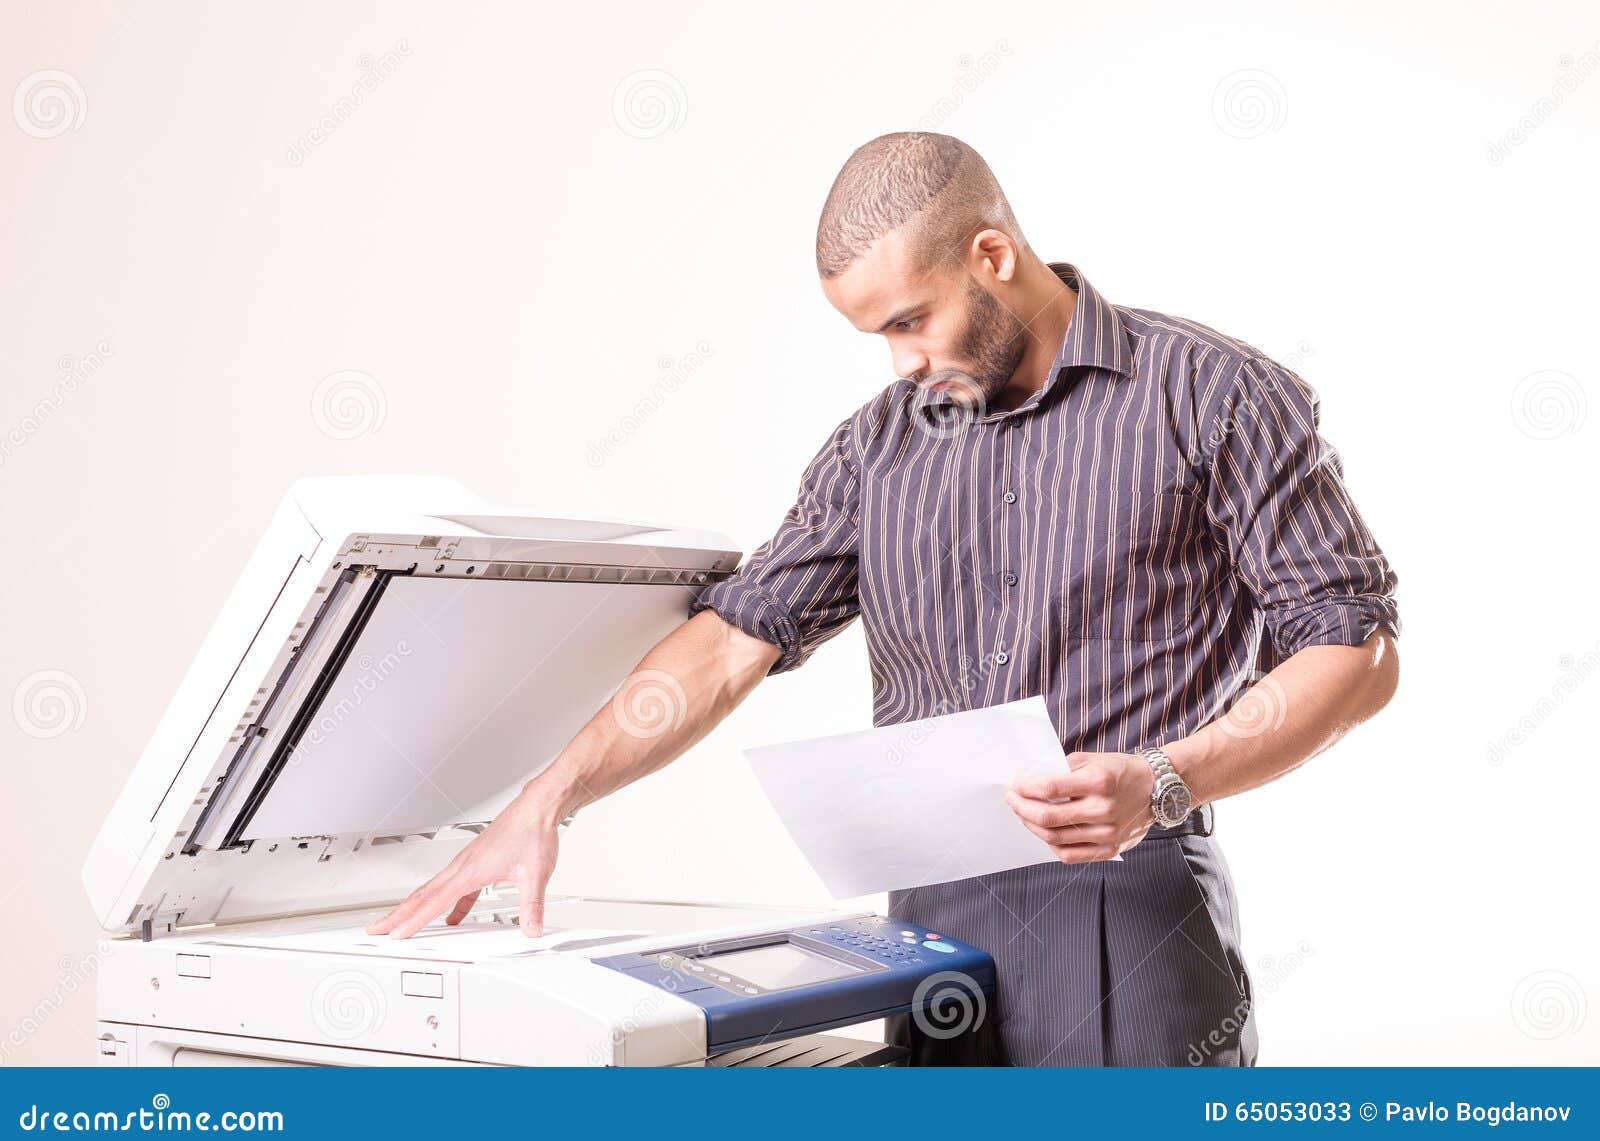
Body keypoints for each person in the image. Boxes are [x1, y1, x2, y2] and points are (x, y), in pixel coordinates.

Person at [367, 131, 1401, 1066]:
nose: (904, 362)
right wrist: (548, 796)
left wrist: (1165, 779)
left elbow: (1354, 647)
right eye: (878, 336)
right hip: (932, 947)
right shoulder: (877, 444)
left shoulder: (1215, 395)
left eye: (913, 319)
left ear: (992, 257)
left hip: (1129, 921)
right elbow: (733, 639)